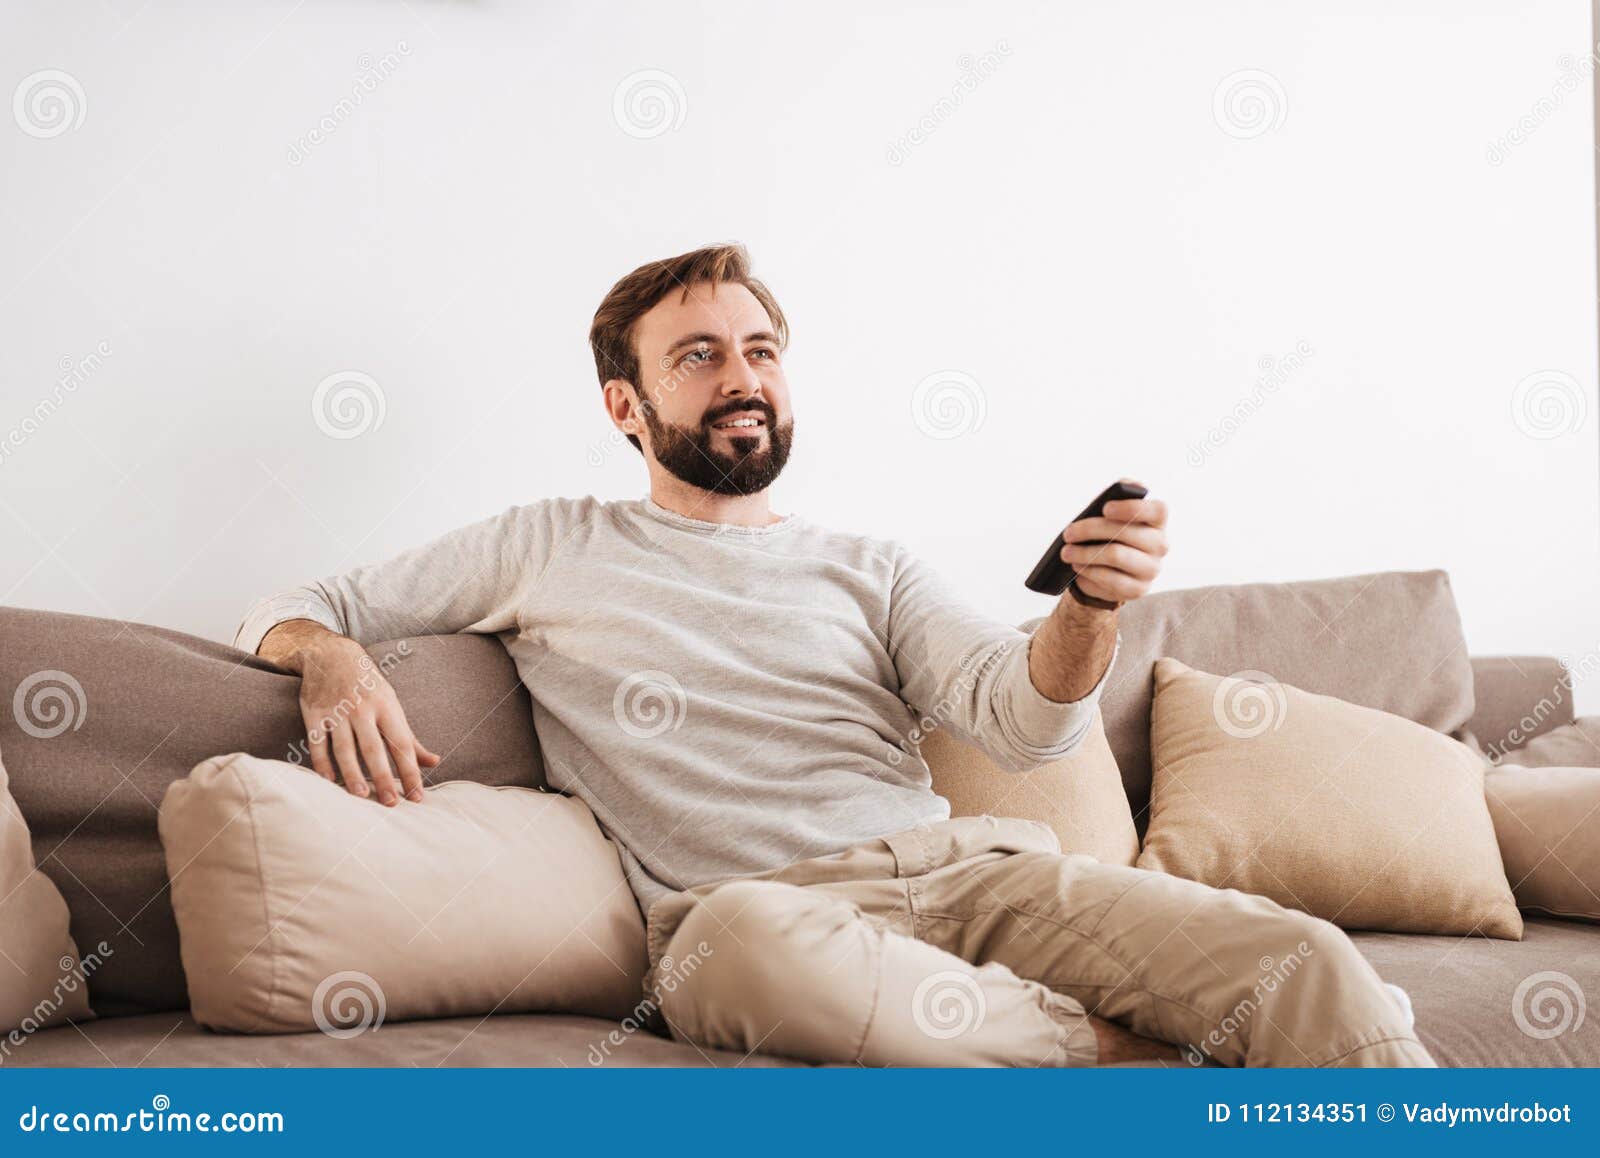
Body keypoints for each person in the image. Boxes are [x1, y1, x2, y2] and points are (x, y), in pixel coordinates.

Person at [236, 243, 1430, 1068]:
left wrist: (1087, 606)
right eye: (697, 355)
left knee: (1308, 961)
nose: (741, 377)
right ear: (624, 406)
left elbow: (1023, 721)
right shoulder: (548, 544)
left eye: (759, 349)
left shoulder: (870, 565)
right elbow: (289, 600)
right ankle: (1123, 1057)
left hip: (966, 876)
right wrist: (331, 656)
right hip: (753, 916)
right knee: (749, 955)